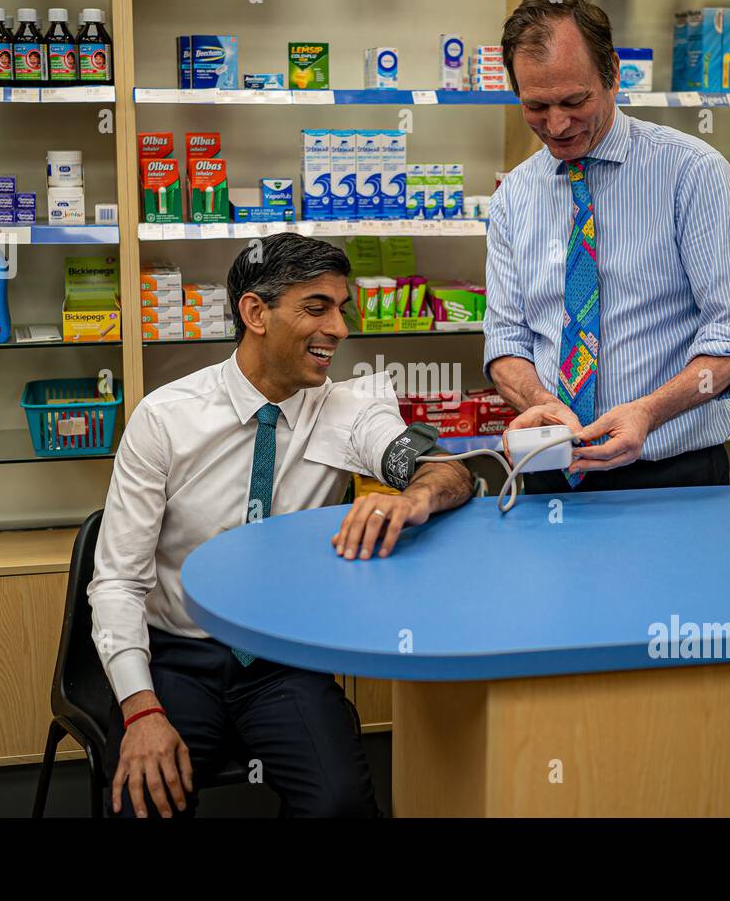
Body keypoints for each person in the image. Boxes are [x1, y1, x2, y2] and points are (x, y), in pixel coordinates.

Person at [88, 233, 472, 817]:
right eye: (316, 308)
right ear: (255, 313)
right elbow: (117, 582)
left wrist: (413, 499)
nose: (339, 329)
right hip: (178, 657)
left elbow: (446, 470)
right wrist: (141, 710)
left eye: (341, 309)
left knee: (340, 804)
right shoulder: (165, 419)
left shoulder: (350, 408)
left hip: (282, 661)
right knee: (143, 803)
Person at [485, 0, 730, 493]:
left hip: (673, 478)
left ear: (613, 73)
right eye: (536, 106)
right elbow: (506, 343)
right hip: (552, 470)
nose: (556, 125)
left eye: (575, 101)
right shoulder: (514, 196)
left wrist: (648, 413)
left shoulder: (692, 173)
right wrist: (539, 403)